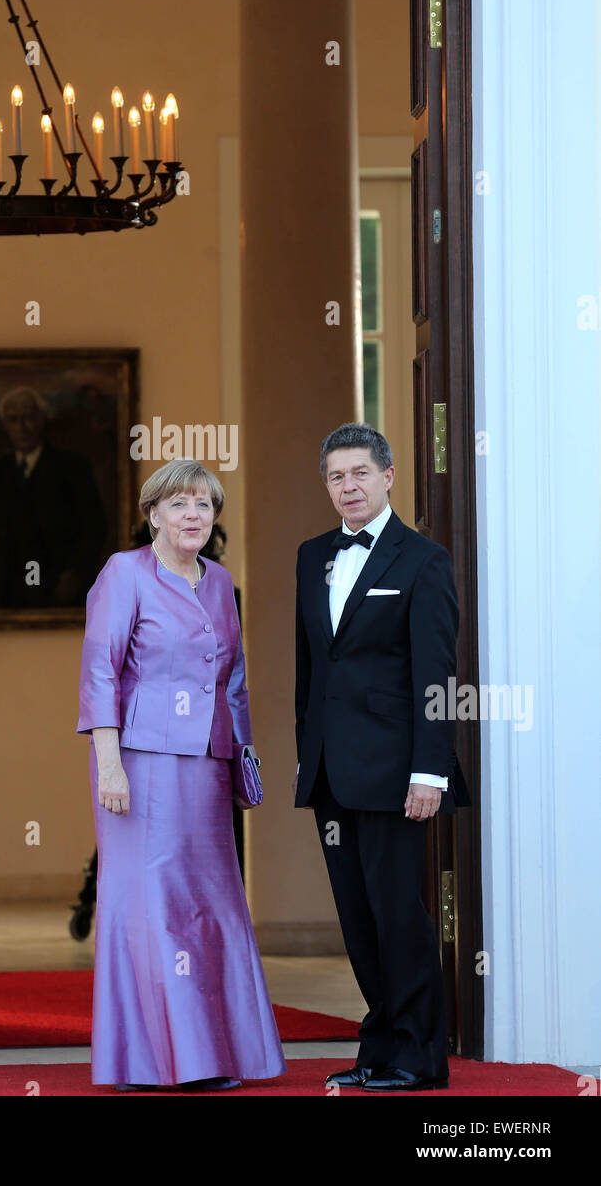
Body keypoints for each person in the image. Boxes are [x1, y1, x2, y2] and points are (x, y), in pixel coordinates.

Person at [77, 458, 286, 1091]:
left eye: (204, 505)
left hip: (207, 768)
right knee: (152, 906)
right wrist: (108, 763)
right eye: (178, 505)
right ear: (153, 516)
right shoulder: (124, 574)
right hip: (139, 765)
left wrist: (243, 762)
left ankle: (217, 1054)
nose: (192, 516)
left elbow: (237, 683)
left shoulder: (221, 582)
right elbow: (101, 672)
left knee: (212, 903)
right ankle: (158, 1060)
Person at [294, 423, 470, 1092]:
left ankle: (420, 1055)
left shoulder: (423, 559)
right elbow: (311, 671)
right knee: (359, 918)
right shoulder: (313, 556)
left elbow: (437, 675)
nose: (349, 487)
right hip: (333, 772)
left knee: (400, 915)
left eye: (360, 473)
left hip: (399, 774)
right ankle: (379, 1048)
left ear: (389, 476)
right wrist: (305, 758)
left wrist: (431, 770)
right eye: (337, 476)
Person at [0, 386, 107, 608]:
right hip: (9, 585)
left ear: (41, 420)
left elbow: (94, 526)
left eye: (28, 418)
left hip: (57, 582)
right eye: (13, 420)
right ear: (5, 426)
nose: (21, 427)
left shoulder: (72, 467)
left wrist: (75, 573)